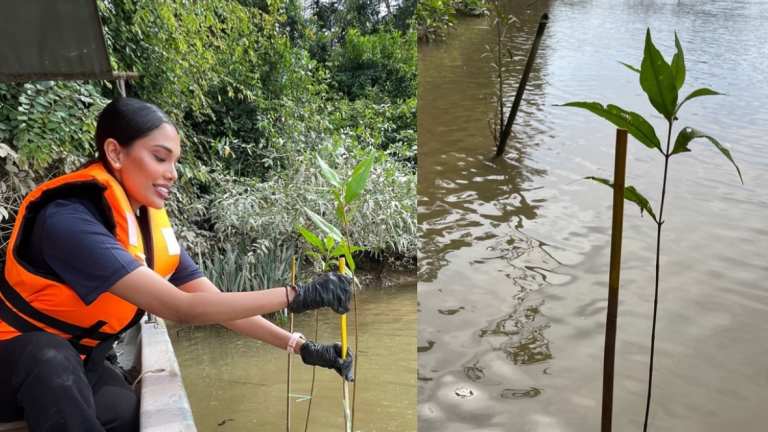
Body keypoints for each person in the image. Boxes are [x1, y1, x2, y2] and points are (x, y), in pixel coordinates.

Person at [0, 97, 353, 432]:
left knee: (124, 412)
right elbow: (179, 307)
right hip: (17, 363)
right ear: (114, 153)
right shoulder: (68, 219)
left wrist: (300, 346)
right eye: (160, 157)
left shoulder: (146, 230)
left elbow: (218, 306)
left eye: (175, 162)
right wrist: (297, 295)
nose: (173, 173)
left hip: (80, 362)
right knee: (50, 357)